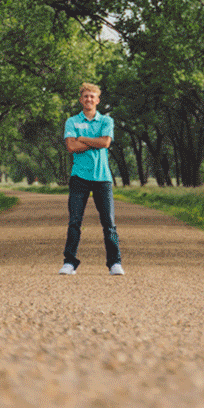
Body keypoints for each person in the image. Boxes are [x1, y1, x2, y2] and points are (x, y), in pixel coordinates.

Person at [60, 82, 123, 275]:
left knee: (108, 222)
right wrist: (94, 141)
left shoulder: (106, 121)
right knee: (75, 222)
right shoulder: (71, 121)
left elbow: (105, 142)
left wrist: (83, 139)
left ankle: (114, 263)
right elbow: (71, 146)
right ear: (81, 100)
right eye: (85, 96)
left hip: (102, 178)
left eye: (92, 96)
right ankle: (69, 262)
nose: (88, 99)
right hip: (79, 177)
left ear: (97, 100)